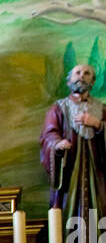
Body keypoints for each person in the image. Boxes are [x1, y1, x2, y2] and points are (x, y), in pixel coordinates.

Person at [40, 62, 106, 232]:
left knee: (97, 202)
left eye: (87, 73)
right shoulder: (59, 108)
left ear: (92, 81)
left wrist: (98, 124)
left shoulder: (101, 108)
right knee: (68, 202)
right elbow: (48, 133)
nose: (81, 76)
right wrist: (57, 144)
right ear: (69, 80)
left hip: (96, 168)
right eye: (77, 73)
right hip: (70, 168)